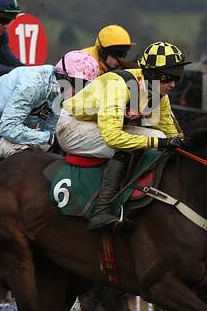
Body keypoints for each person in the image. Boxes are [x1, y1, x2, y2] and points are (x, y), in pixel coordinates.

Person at [58, 41, 189, 230]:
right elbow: (113, 137)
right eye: (168, 78)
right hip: (72, 127)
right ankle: (101, 211)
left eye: (178, 79)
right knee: (143, 142)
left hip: (95, 126)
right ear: (152, 74)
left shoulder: (160, 96)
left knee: (157, 135)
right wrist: (159, 142)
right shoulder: (118, 86)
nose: (173, 85)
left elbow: (173, 135)